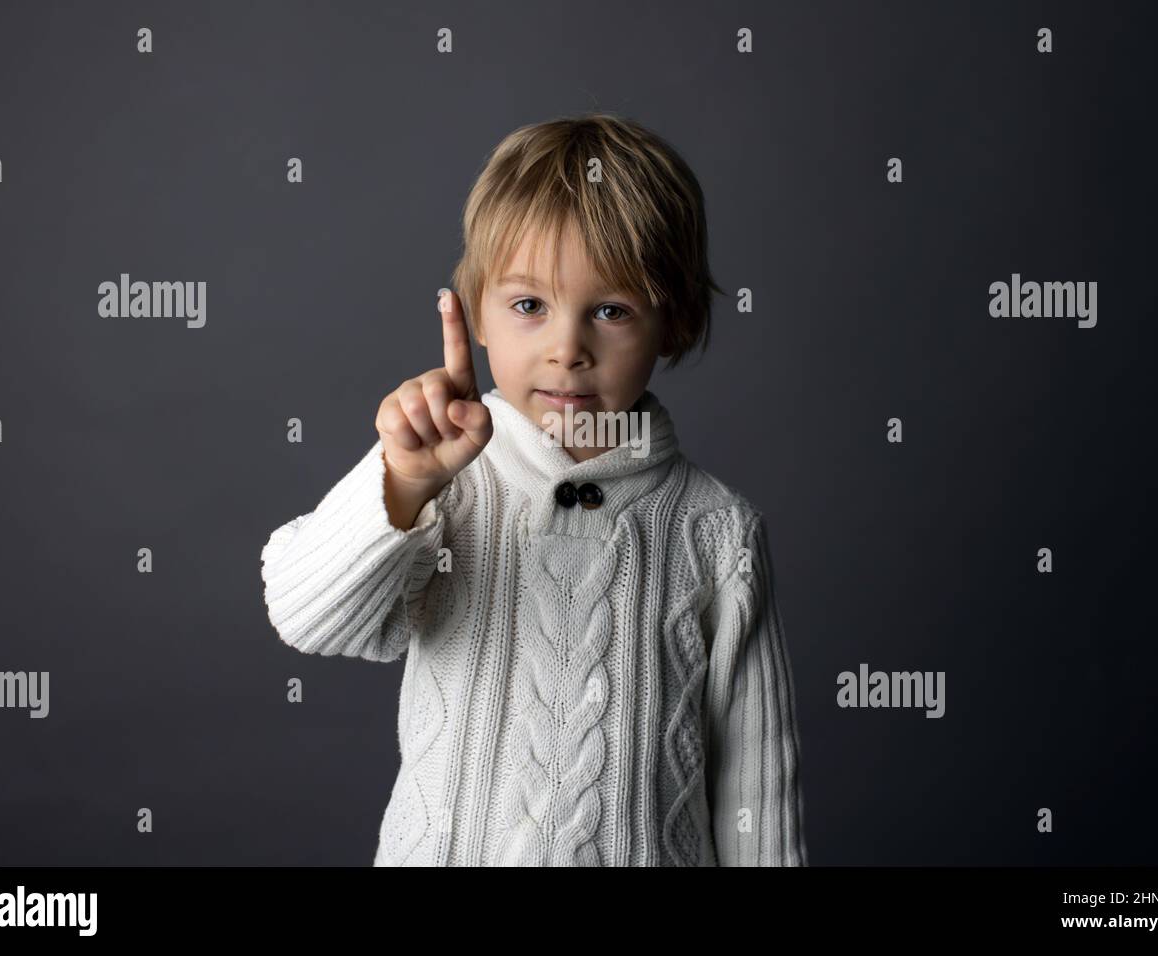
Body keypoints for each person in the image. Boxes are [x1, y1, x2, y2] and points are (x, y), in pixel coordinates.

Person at [260, 112, 808, 866]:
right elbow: (306, 616)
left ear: (673, 325)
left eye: (612, 311)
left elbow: (759, 795)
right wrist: (404, 482)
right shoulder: (442, 478)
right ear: (476, 311)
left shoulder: (717, 533)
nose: (566, 350)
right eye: (528, 306)